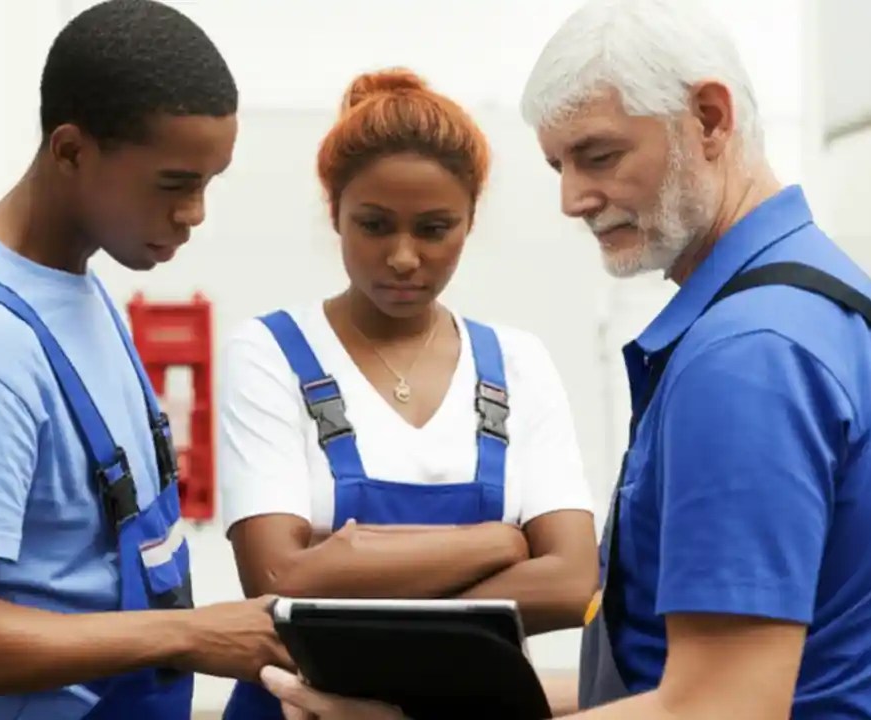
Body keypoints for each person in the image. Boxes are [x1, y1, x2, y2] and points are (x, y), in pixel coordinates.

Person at [257, 1, 871, 718]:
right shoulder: (835, 304)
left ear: (710, 119)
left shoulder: (749, 357)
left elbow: (717, 708)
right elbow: (682, 686)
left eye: (599, 155)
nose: (570, 198)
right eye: (559, 165)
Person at [0, 2, 290, 719]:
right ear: (69, 152)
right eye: (174, 183)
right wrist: (189, 634)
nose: (195, 213)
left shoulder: (79, 289)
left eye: (208, 184)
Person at [216, 68, 599, 719]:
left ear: (471, 221)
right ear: (333, 209)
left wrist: (348, 576)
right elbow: (276, 581)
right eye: (373, 224)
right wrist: (496, 545)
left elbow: (570, 582)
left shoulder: (517, 364)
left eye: (433, 228)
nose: (401, 256)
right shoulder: (269, 353)